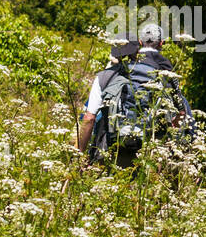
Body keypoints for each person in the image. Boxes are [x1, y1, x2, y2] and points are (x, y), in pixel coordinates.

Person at [76, 23, 192, 166]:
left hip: (109, 155)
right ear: (162, 43)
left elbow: (89, 119)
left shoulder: (107, 76)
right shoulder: (167, 78)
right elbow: (181, 116)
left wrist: (78, 158)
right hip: (150, 161)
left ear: (140, 42)